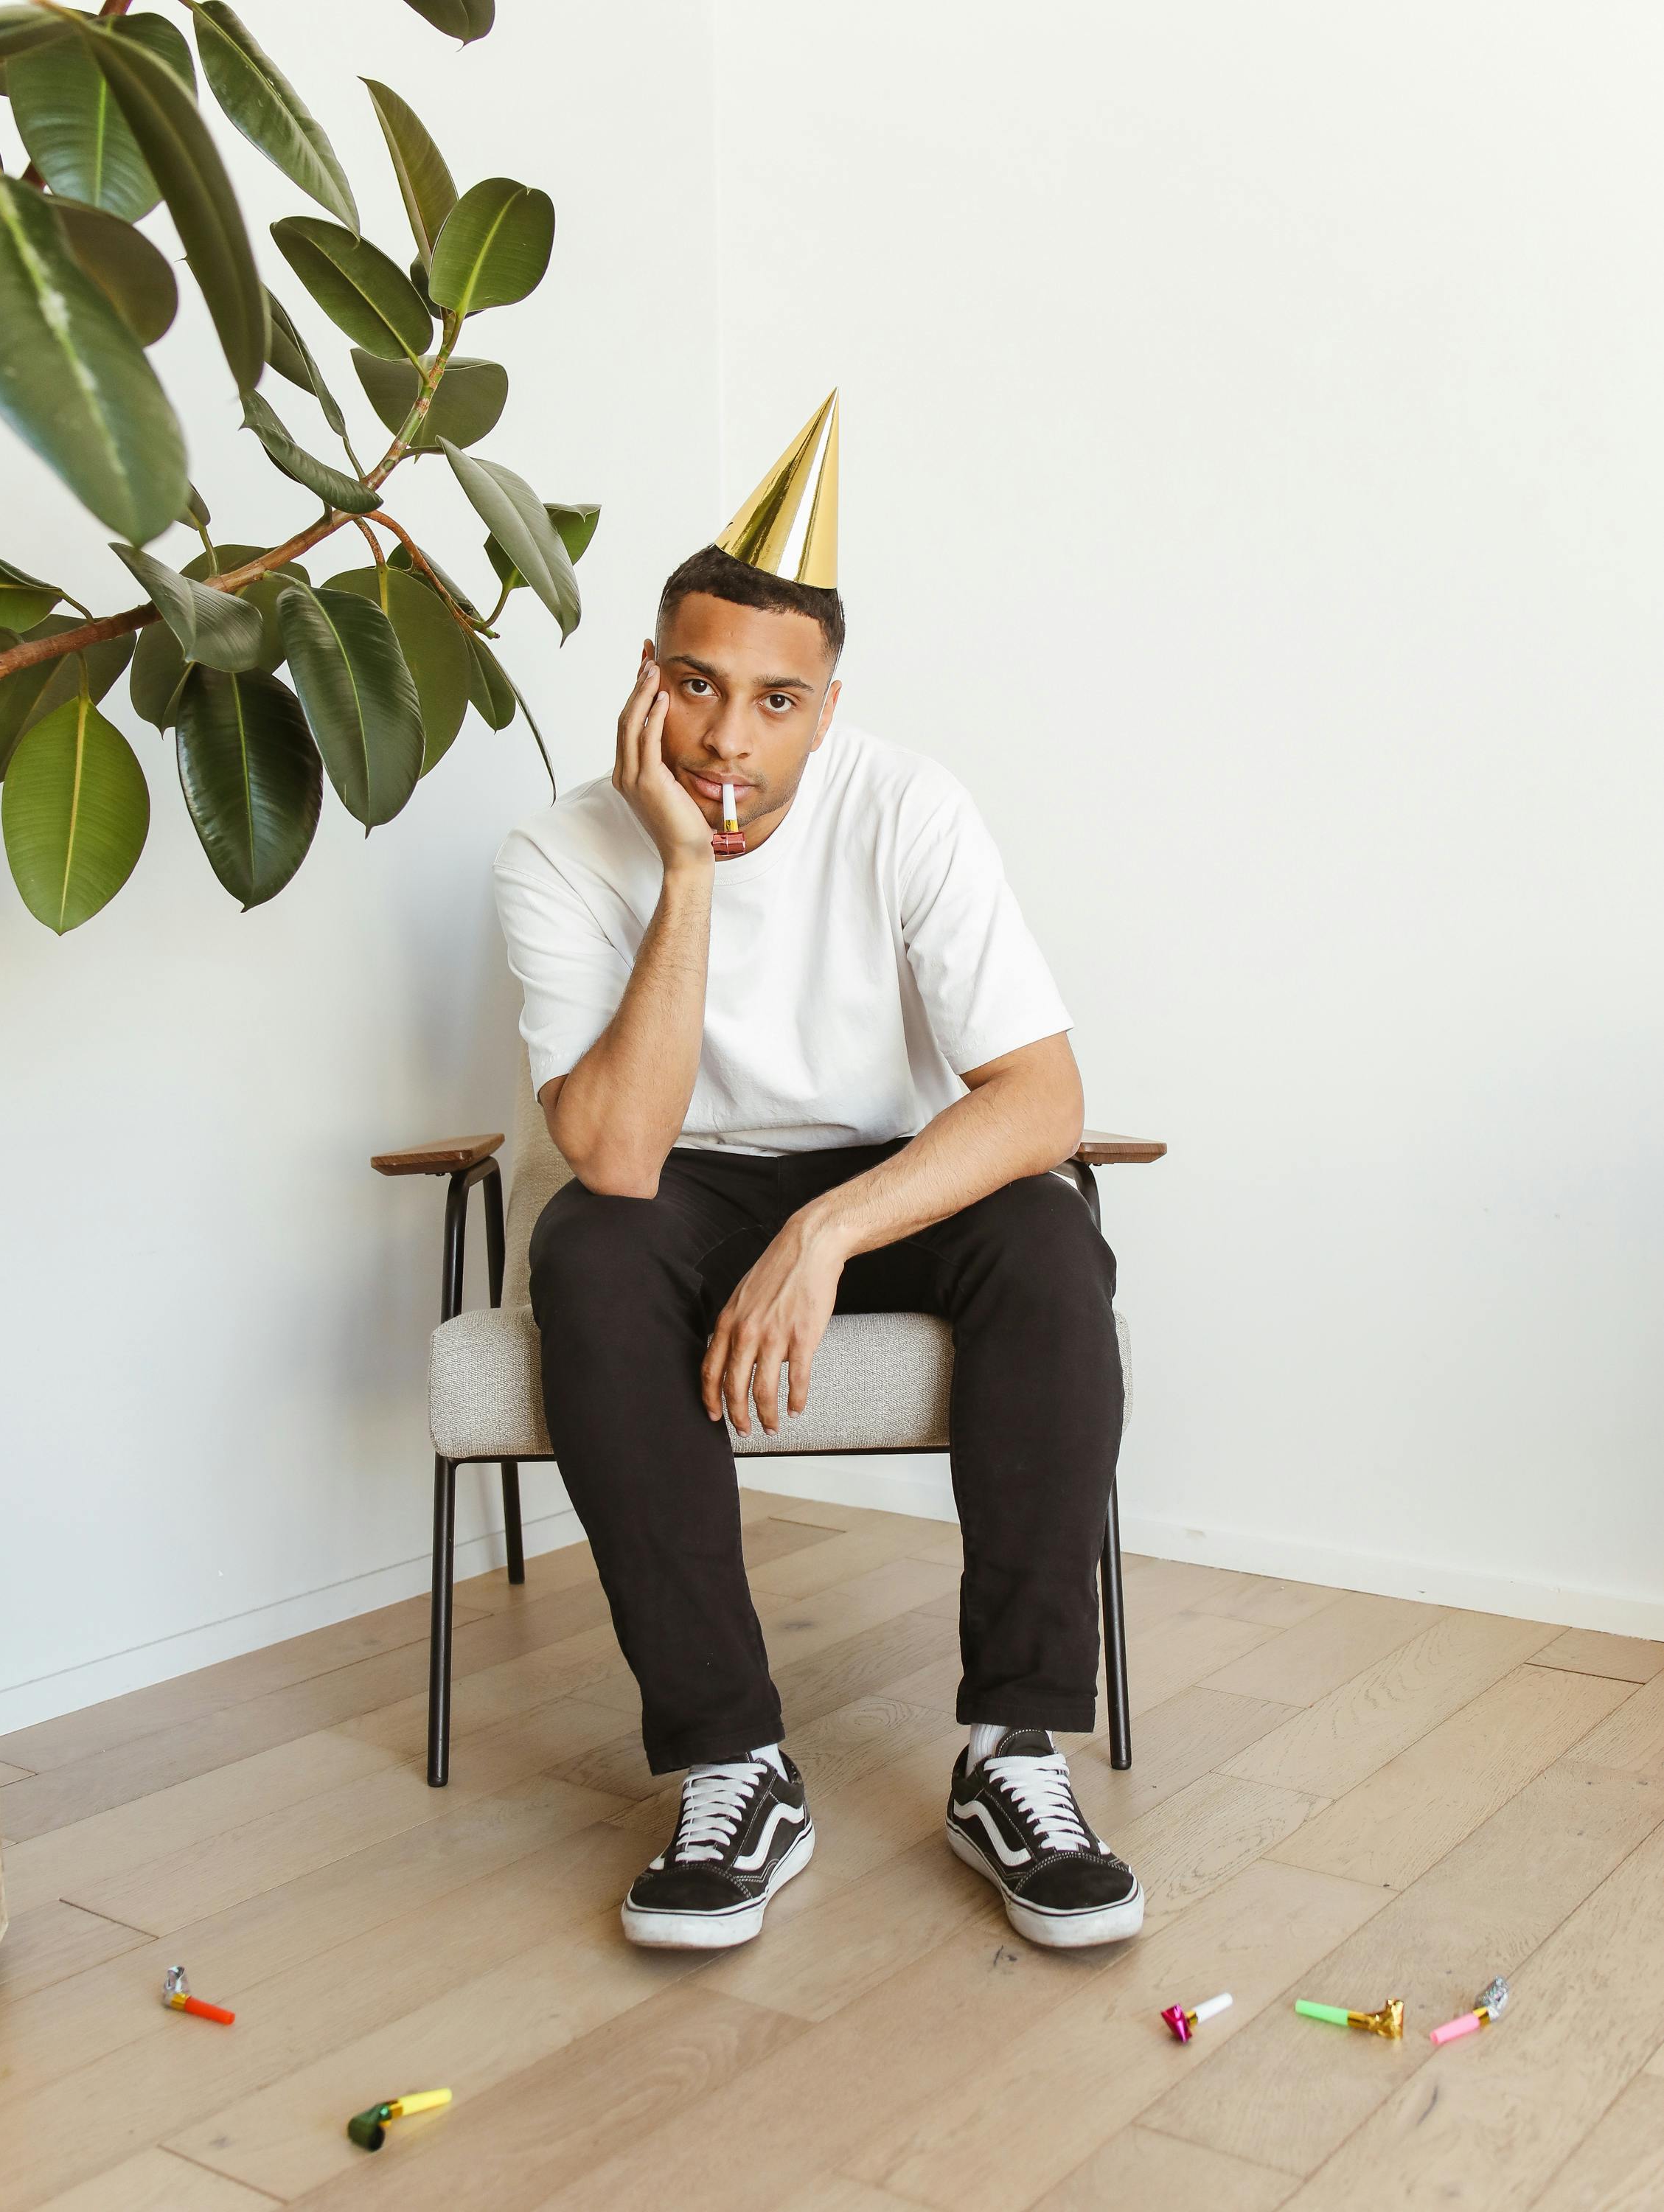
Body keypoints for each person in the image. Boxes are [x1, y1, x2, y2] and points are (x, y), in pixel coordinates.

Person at [493, 393, 1142, 1953]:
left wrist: (828, 1232)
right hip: (685, 1182)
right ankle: (734, 1765)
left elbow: (1042, 1097)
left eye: (777, 702)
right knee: (587, 1247)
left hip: (890, 1176)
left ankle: (1011, 1753)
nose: (730, 739)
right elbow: (618, 1154)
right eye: (697, 687)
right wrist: (686, 868)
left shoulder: (909, 807)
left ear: (827, 711)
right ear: (646, 679)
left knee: (1050, 1242)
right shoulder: (559, 854)